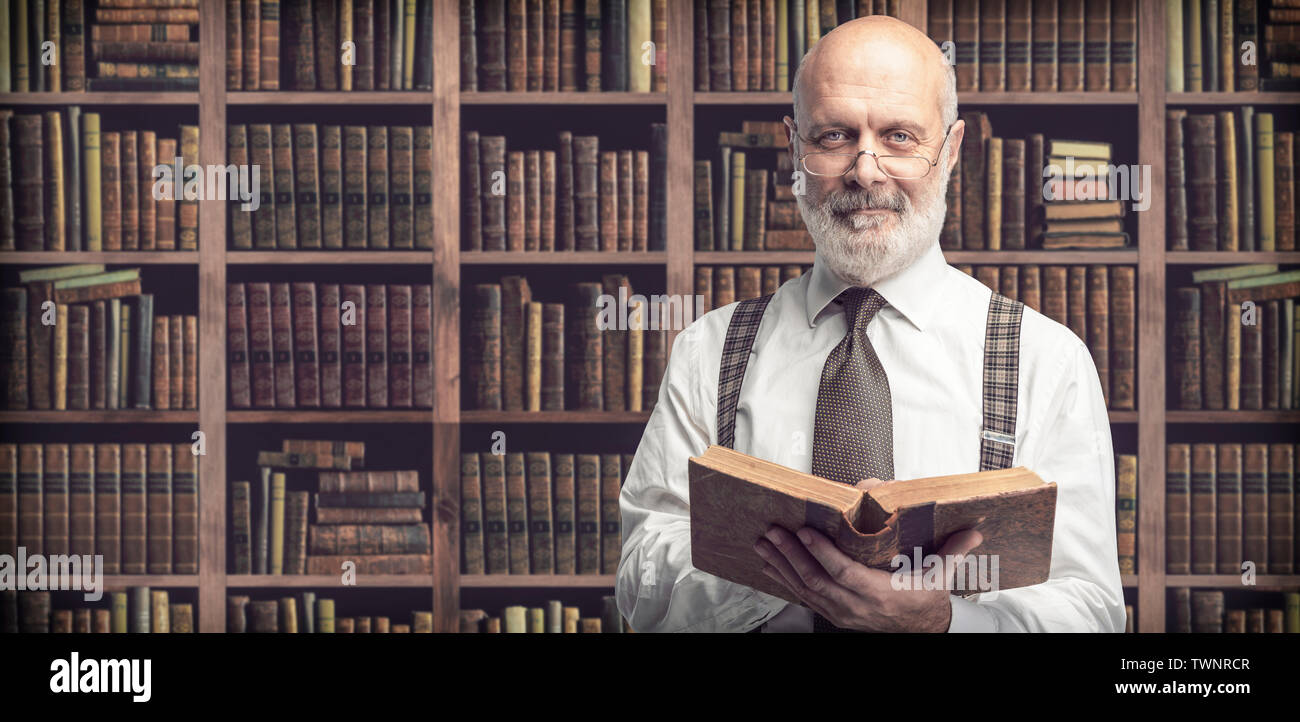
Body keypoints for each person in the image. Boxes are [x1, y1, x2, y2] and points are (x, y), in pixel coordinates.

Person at [614, 15, 1125, 632]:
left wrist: (942, 624)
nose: (866, 170)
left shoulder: (1049, 360)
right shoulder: (709, 350)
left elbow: (1091, 611)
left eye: (900, 136)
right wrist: (786, 583)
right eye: (833, 136)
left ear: (951, 151)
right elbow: (641, 585)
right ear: (794, 148)